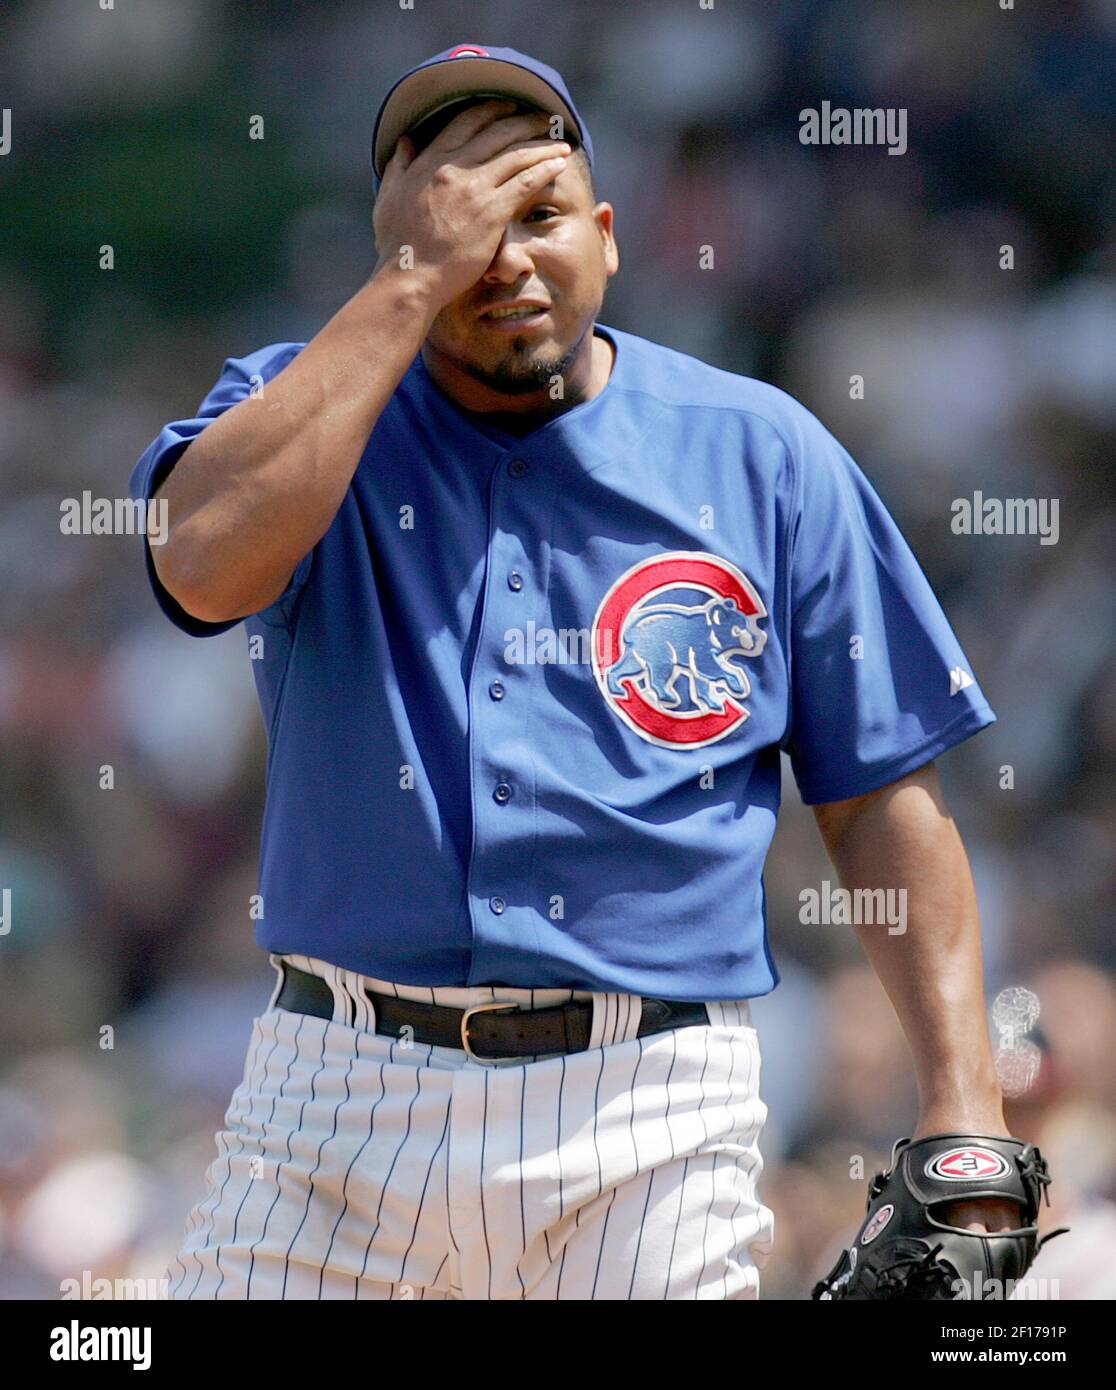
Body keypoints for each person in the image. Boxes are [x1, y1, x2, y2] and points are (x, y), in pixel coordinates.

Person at [130, 45, 1016, 1300]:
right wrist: (402, 282)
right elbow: (203, 567)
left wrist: (966, 1105)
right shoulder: (297, 404)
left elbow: (879, 800)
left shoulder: (760, 451)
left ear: (606, 236)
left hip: (649, 1109)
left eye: (536, 212)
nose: (502, 253)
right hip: (336, 1095)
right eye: (457, 215)